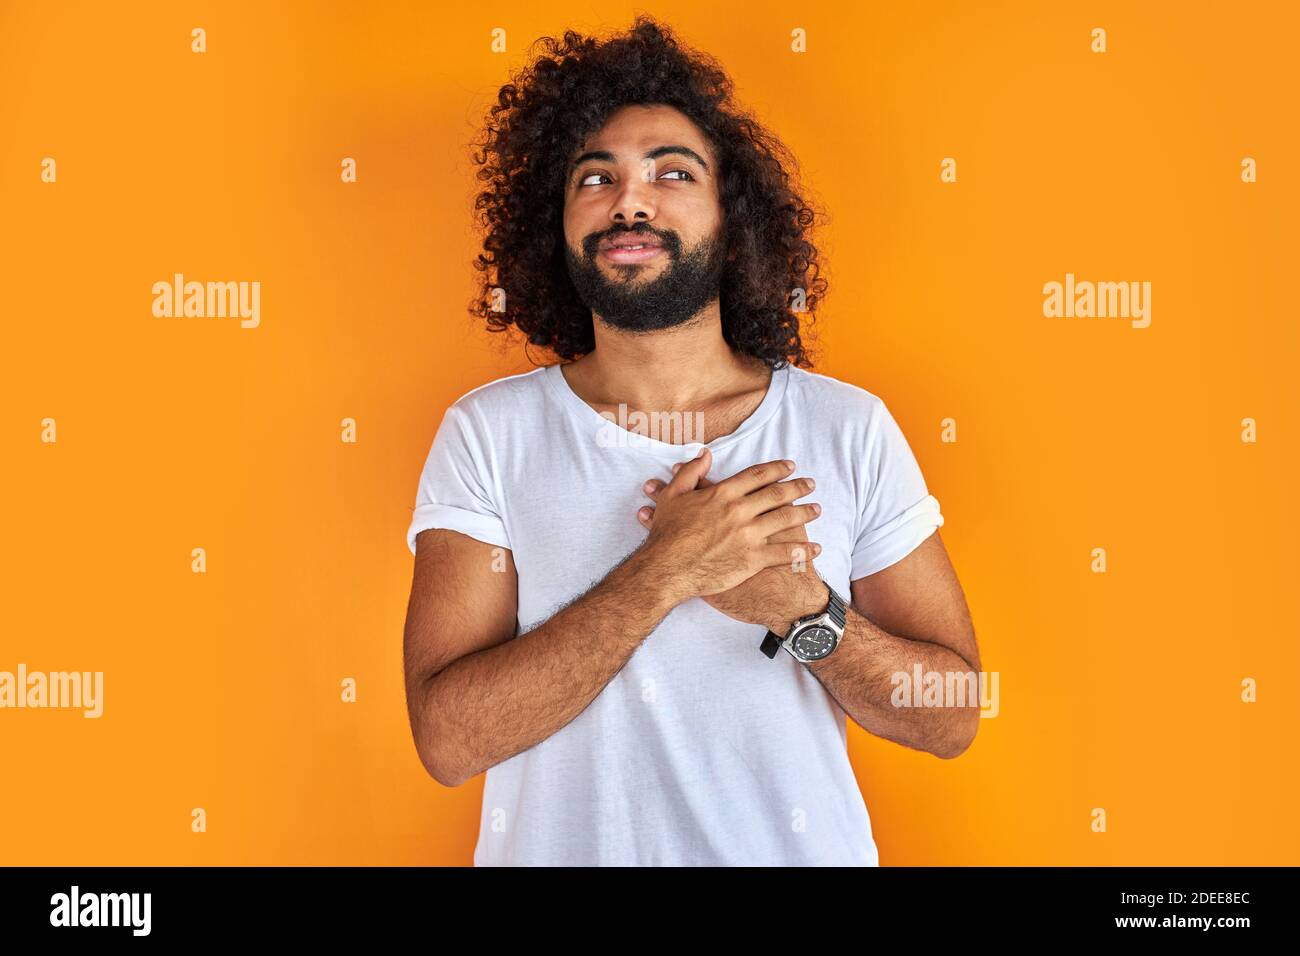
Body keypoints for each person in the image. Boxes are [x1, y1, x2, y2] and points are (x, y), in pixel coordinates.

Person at [402, 15, 979, 866]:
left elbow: (953, 715)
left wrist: (802, 610)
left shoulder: (847, 427)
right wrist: (667, 570)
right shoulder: (489, 434)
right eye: (594, 178)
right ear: (553, 225)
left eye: (673, 173)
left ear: (729, 216)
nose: (630, 200)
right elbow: (449, 742)